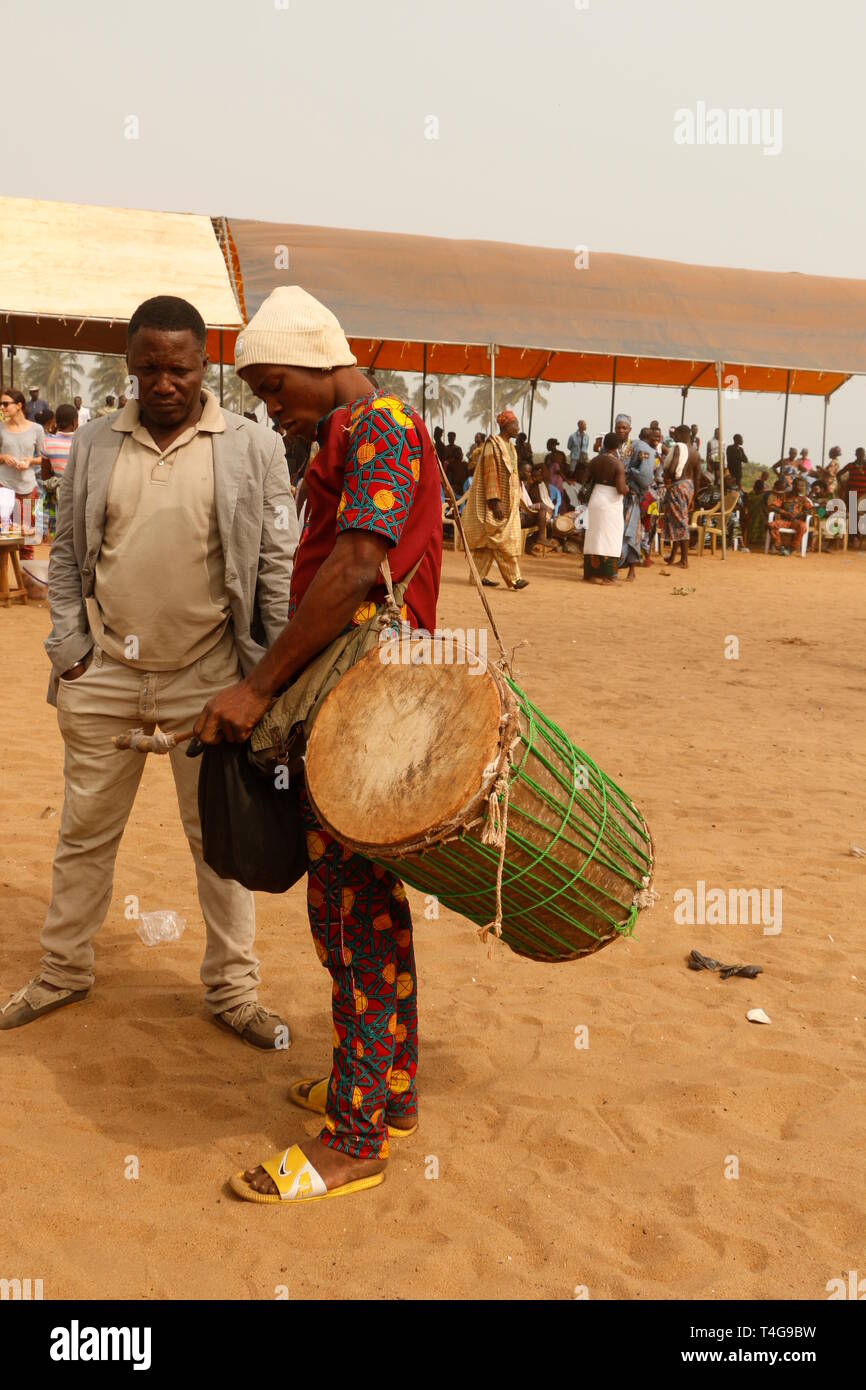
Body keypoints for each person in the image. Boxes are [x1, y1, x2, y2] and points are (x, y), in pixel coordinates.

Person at [191, 284, 442, 1205]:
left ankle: (354, 1139)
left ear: (317, 358)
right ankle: (389, 1089)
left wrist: (259, 686)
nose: (271, 406)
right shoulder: (349, 438)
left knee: (352, 915)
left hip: (366, 710)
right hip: (356, 702)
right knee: (363, 904)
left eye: (274, 385)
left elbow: (357, 565)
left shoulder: (379, 427)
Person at [0, 296, 296, 1047]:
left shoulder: (250, 446)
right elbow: (66, 559)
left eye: (181, 368)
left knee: (218, 840)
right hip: (104, 675)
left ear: (206, 365)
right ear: (128, 368)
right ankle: (64, 971)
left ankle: (233, 990)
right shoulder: (98, 442)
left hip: (210, 682)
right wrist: (71, 653)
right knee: (85, 832)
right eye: (148, 369)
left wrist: (265, 678)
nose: (164, 384)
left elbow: (272, 568)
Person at [462, 408, 529, 590]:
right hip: (494, 503)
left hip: (509, 502)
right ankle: (515, 579)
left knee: (489, 541)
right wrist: (495, 502)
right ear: (506, 426)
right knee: (502, 540)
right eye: (515, 424)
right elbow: (490, 474)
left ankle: (477, 576)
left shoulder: (510, 447)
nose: (518, 428)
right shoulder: (493, 445)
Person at [0, 387, 45, 558]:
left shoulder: (37, 429)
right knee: (3, 538)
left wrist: (30, 461)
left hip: (28, 488)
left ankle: (28, 582)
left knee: (28, 539)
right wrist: (4, 457)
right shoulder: (0, 428)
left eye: (5, 404)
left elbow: (43, 458)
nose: (2, 408)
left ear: (19, 405)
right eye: (1, 404)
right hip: (4, 487)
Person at [583, 432, 627, 583]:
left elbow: (585, 479)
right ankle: (608, 576)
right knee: (610, 537)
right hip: (611, 501)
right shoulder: (617, 464)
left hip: (595, 498)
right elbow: (621, 488)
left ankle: (590, 573)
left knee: (593, 536)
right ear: (618, 446)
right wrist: (628, 489)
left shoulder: (594, 461)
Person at [663, 424, 702, 567]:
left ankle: (684, 560)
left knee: (680, 522)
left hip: (677, 486)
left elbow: (673, 467)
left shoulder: (679, 447)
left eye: (676, 435)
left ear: (680, 435)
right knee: (678, 520)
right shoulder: (696, 453)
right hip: (689, 486)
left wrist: (666, 476)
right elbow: (698, 477)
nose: (674, 437)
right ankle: (673, 557)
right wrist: (694, 496)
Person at [619, 437, 655, 582]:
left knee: (632, 533)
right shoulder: (617, 446)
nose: (621, 430)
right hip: (615, 499)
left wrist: (631, 471)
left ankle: (632, 570)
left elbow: (646, 477)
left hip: (632, 498)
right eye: (619, 427)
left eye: (624, 428)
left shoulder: (643, 450)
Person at [40, 403, 78, 540]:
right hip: (77, 492)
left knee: (58, 533)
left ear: (56, 422)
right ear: (75, 422)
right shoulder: (82, 442)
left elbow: (44, 475)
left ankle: (47, 534)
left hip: (57, 493)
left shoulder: (47, 442)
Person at [767, 476, 813, 555]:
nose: (802, 488)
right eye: (800, 485)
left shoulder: (803, 499)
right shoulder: (784, 496)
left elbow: (810, 511)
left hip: (796, 522)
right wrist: (784, 512)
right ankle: (780, 547)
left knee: (803, 526)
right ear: (794, 485)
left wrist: (800, 514)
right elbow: (772, 506)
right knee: (771, 525)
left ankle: (791, 549)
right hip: (785, 521)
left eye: (803, 486)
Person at [518, 461, 553, 553]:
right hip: (519, 516)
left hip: (526, 512)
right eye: (528, 472)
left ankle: (538, 539)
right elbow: (523, 505)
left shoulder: (522, 484)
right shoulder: (522, 485)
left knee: (542, 512)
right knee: (542, 510)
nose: (529, 474)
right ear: (520, 471)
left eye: (530, 472)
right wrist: (538, 506)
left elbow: (526, 504)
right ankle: (538, 538)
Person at [837, 447, 866, 549]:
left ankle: (860, 537)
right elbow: (839, 474)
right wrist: (842, 485)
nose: (861, 455)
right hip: (853, 494)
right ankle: (852, 540)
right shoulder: (851, 465)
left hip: (864, 496)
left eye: (863, 453)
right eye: (859, 453)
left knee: (862, 517)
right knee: (853, 518)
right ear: (856, 454)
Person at [743, 476, 769, 549]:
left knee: (761, 524)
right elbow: (747, 504)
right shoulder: (751, 494)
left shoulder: (764, 495)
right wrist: (746, 513)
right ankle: (752, 540)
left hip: (761, 514)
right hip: (752, 513)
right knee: (753, 524)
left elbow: (765, 506)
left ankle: (758, 541)